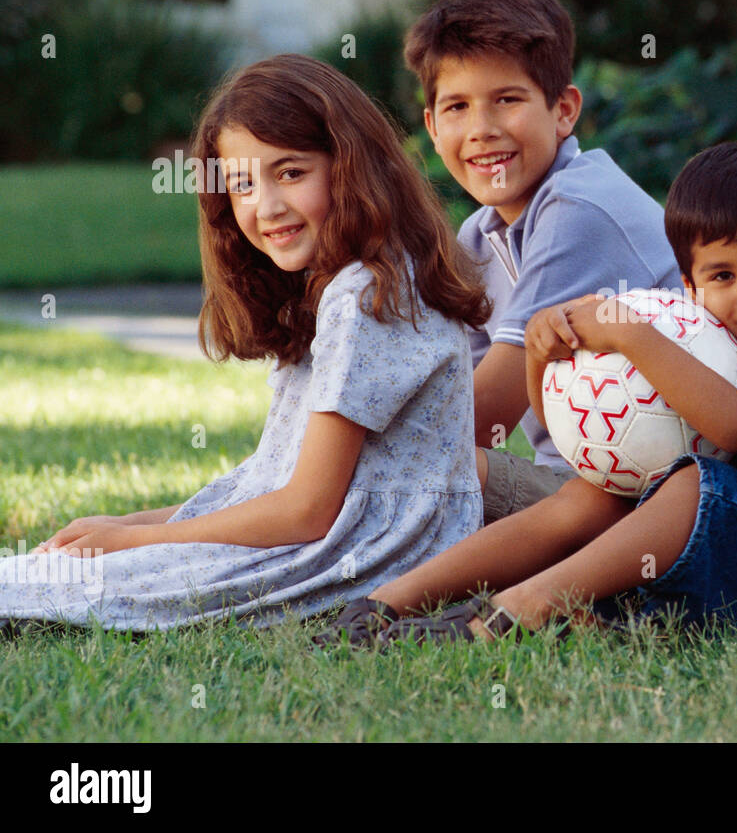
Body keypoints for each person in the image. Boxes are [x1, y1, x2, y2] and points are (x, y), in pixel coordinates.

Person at [315, 141, 737, 647]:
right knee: (594, 493)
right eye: (723, 276)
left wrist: (628, 332)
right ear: (691, 286)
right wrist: (546, 362)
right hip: (726, 577)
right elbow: (583, 449)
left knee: (695, 482)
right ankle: (381, 606)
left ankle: (510, 613)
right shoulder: (706, 345)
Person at [0, 54, 490, 632]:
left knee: (66, 588)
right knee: (50, 569)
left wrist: (134, 540)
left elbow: (306, 512)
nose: (267, 206)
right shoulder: (356, 282)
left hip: (355, 560)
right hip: (348, 541)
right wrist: (139, 525)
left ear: (352, 167)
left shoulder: (366, 298)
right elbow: (271, 482)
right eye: (242, 184)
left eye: (290, 173)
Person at [403, 0, 679, 525]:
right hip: (580, 485)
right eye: (457, 107)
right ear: (432, 127)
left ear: (564, 110)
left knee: (412, 479)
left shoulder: (581, 206)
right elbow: (471, 410)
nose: (481, 129)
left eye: (507, 99)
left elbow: (479, 419)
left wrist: (351, 453)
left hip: (651, 498)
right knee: (412, 481)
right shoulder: (478, 239)